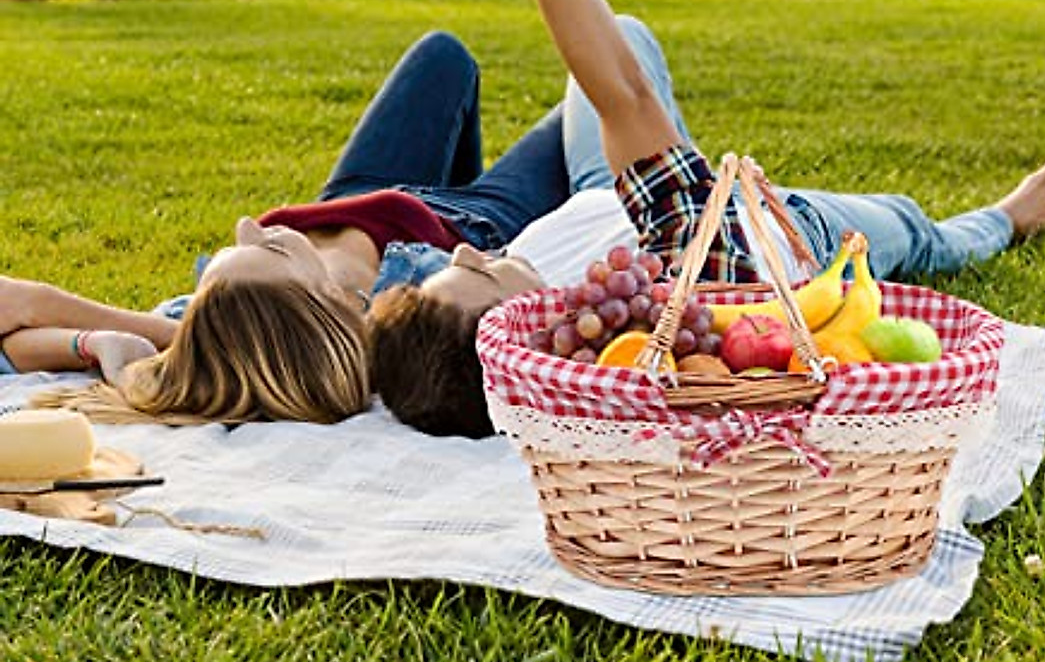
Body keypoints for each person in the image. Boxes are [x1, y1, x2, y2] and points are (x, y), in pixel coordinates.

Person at [367, 0, 1045, 437]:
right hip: (786, 236)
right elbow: (626, 96)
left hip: (605, 190)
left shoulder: (509, 311)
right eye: (478, 269)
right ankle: (1007, 217)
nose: (465, 248)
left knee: (627, 33)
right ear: (529, 338)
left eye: (454, 263)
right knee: (919, 231)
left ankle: (674, 162)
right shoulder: (675, 288)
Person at [6, 24, 676, 423]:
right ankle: (670, 187)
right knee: (614, 69)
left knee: (444, 56)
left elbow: (12, 345)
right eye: (274, 248)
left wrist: (87, 333)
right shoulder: (382, 332)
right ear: (331, 304)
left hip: (363, 194)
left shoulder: (224, 318)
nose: (246, 225)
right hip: (467, 225)